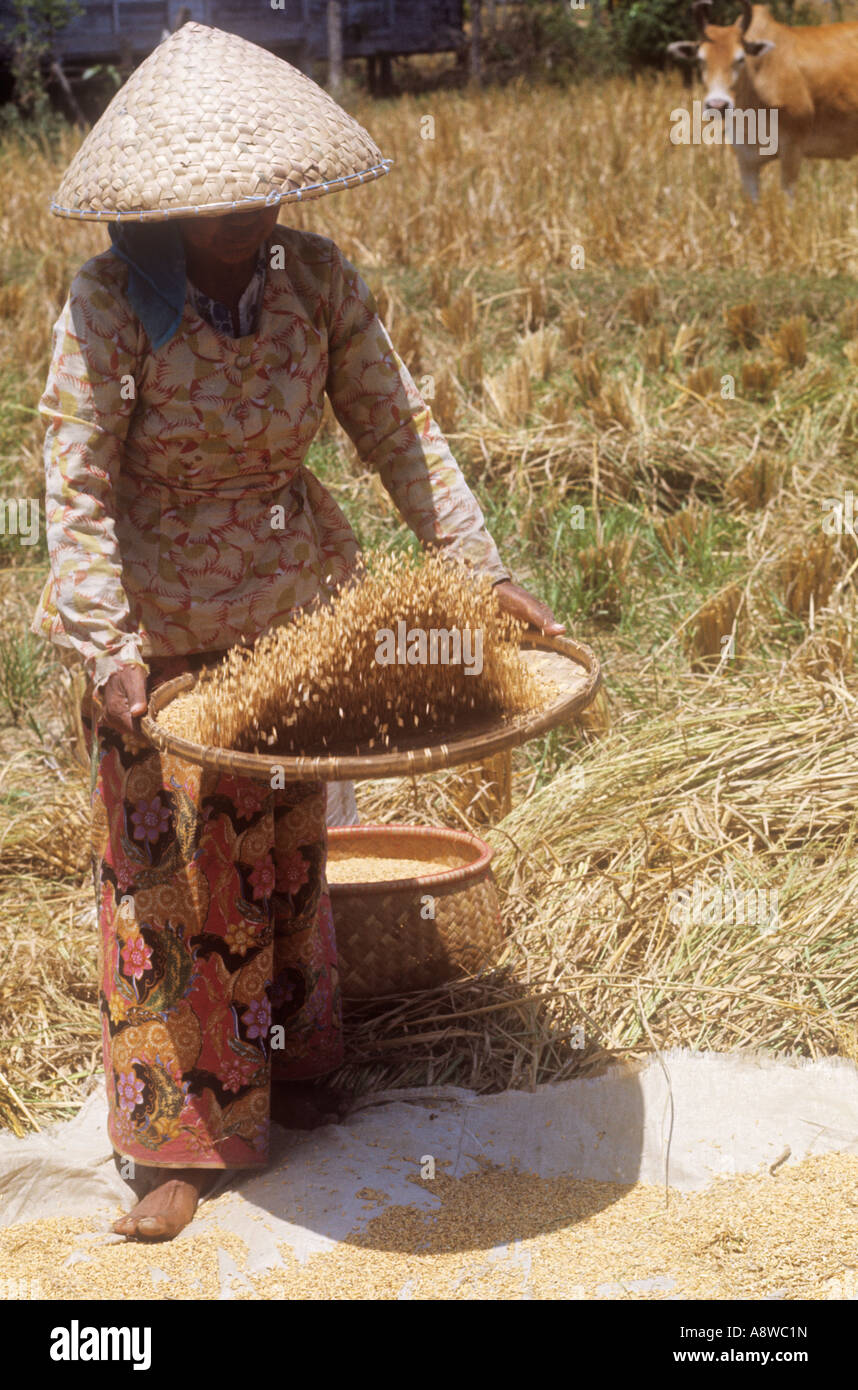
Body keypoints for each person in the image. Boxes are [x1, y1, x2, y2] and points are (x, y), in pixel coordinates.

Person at [33, 21, 564, 1241]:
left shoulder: (316, 279)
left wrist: (478, 576)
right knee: (173, 891)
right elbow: (71, 485)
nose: (244, 218)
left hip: (298, 619)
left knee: (281, 861)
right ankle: (183, 1142)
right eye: (217, 200)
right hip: (160, 639)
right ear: (167, 201)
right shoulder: (111, 301)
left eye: (260, 193)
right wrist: (110, 647)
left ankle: (292, 1074)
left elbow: (402, 430)